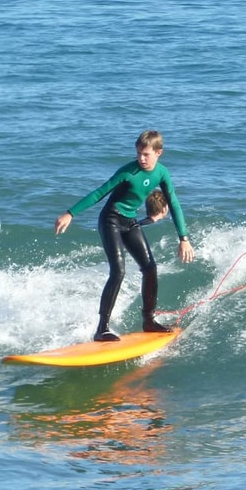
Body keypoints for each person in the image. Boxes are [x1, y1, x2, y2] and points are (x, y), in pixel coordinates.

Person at [55, 130, 195, 342]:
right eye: (138, 153)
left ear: (159, 153)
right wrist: (70, 213)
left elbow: (174, 203)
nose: (141, 158)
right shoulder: (128, 172)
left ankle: (148, 320)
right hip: (110, 220)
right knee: (118, 271)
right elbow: (100, 192)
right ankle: (102, 329)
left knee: (150, 268)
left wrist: (183, 238)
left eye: (146, 154)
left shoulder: (162, 173)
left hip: (129, 222)